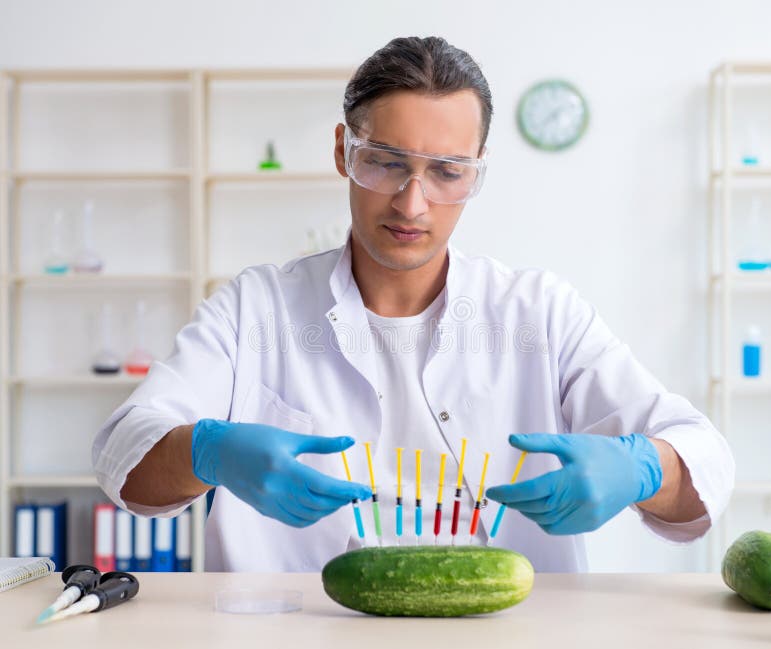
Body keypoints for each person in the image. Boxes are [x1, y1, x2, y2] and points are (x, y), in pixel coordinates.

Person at [93, 36, 734, 572]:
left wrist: (645, 469)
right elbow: (124, 452)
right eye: (386, 162)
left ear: (477, 173)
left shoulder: (540, 314)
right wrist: (208, 453)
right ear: (344, 150)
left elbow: (704, 455)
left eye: (448, 172)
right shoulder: (253, 309)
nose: (411, 202)